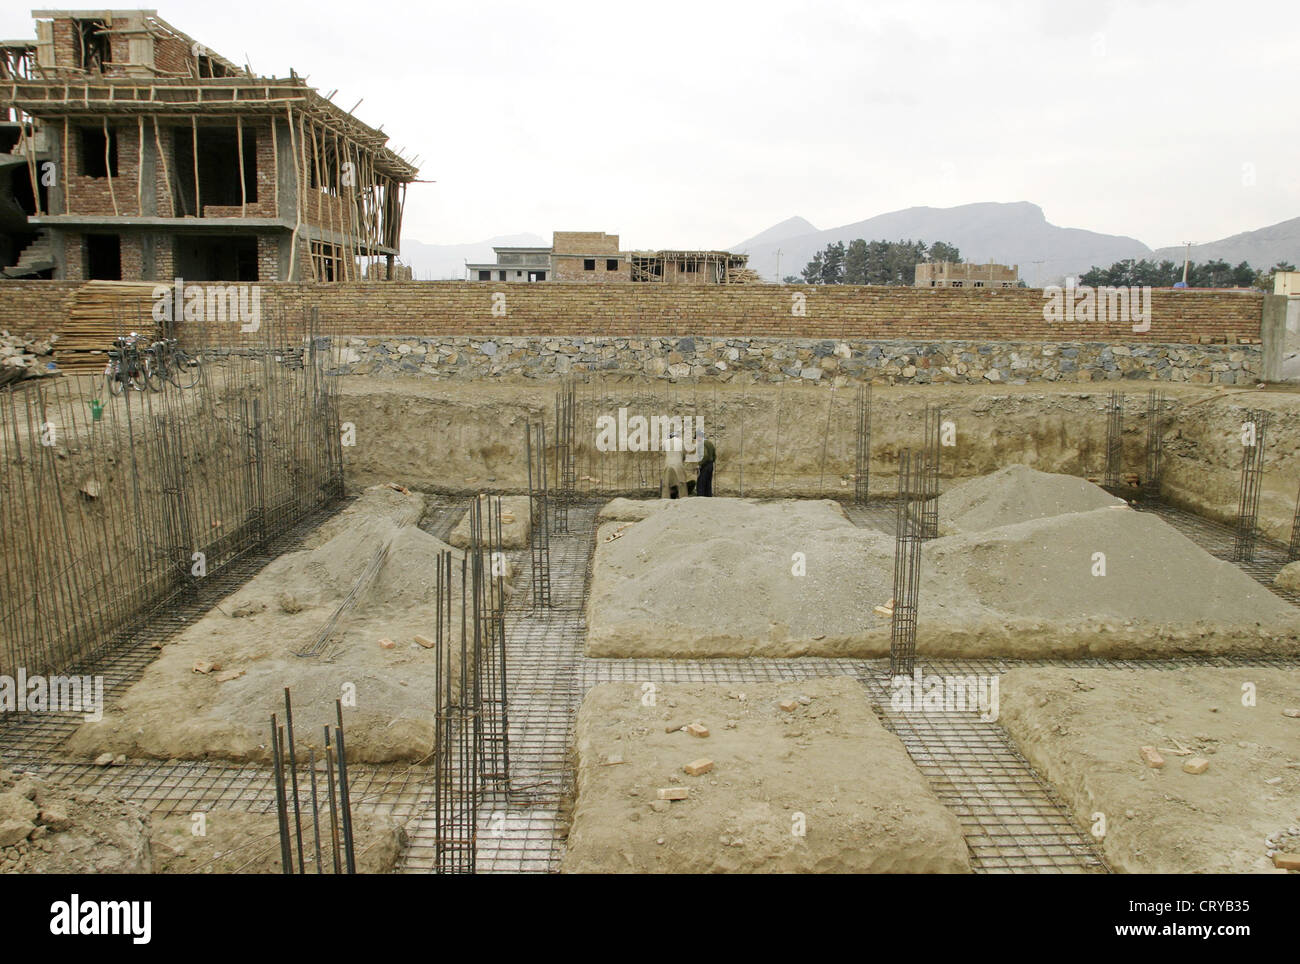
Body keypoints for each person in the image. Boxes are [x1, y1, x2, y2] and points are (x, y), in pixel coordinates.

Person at [662, 430, 688, 498]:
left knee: (666, 483)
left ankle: (666, 498)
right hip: (678, 464)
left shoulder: (665, 442)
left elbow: (663, 452)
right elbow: (684, 454)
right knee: (681, 482)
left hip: (668, 464)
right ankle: (683, 497)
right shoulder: (681, 441)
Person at [695, 431, 716, 497]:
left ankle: (701, 498)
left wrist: (699, 464)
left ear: (699, 437)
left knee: (701, 482)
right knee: (708, 482)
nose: (696, 439)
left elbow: (705, 455)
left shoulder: (701, 444)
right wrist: (712, 462)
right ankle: (708, 496)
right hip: (710, 465)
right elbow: (714, 455)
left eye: (697, 438)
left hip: (705, 465)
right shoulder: (710, 443)